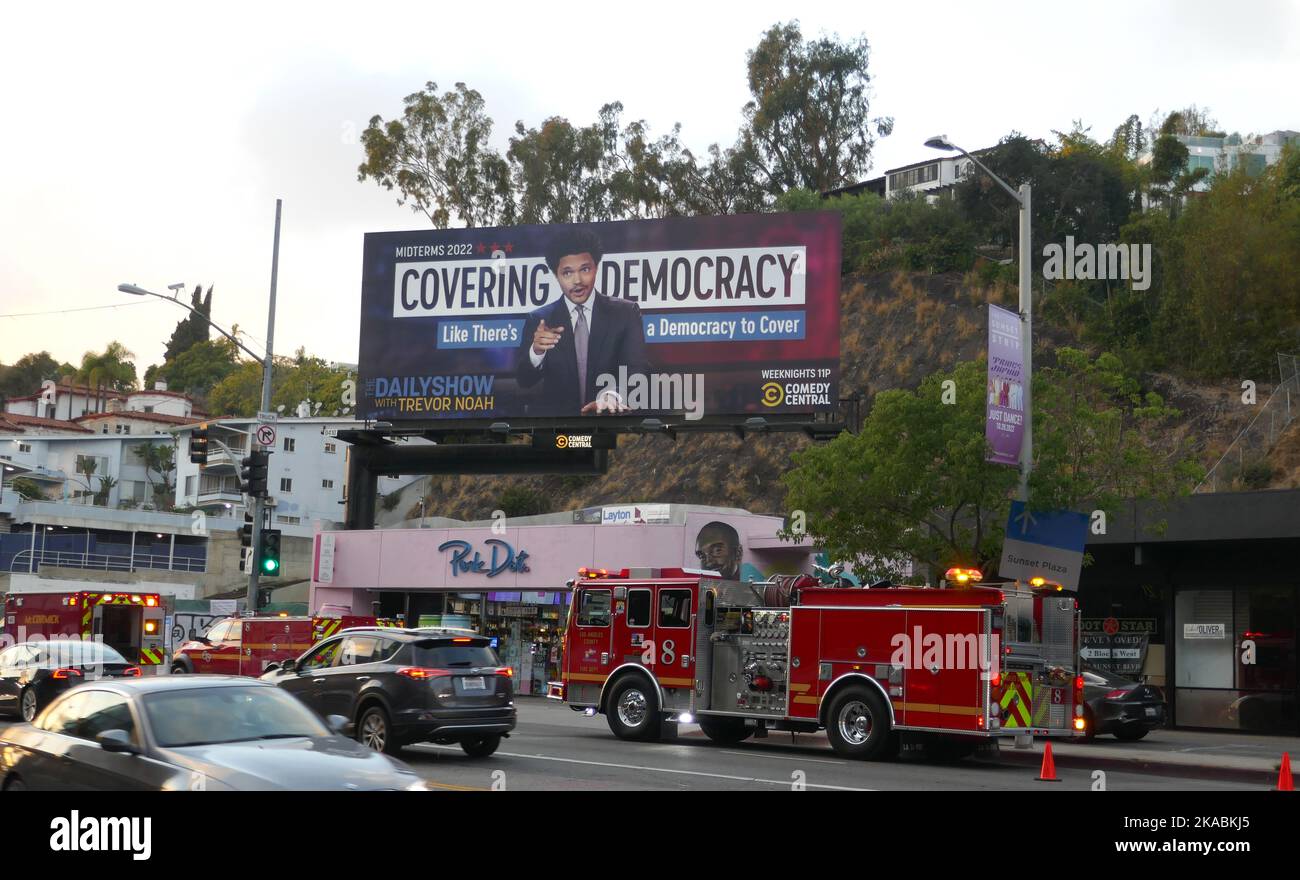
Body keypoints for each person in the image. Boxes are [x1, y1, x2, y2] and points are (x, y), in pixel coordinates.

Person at [515, 229, 650, 416]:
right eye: (567, 273)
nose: (577, 281)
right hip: (556, 430)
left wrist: (613, 395)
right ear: (556, 276)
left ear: (596, 267)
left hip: (610, 424)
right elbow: (524, 380)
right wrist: (536, 352)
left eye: (585, 269)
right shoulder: (539, 320)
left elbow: (637, 370)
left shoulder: (626, 313)